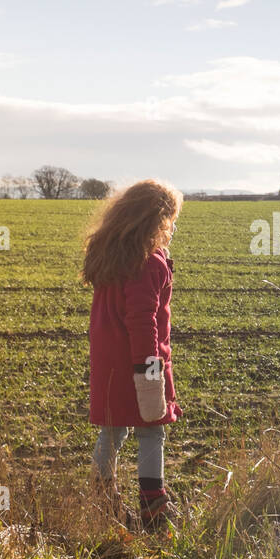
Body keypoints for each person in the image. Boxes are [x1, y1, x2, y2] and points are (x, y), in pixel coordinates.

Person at [80, 179, 183, 533]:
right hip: (139, 363)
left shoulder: (111, 254)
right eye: (170, 220)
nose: (173, 227)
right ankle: (153, 504)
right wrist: (149, 373)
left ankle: (100, 495)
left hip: (109, 363)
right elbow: (143, 322)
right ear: (157, 221)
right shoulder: (148, 262)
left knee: (112, 430)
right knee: (152, 430)